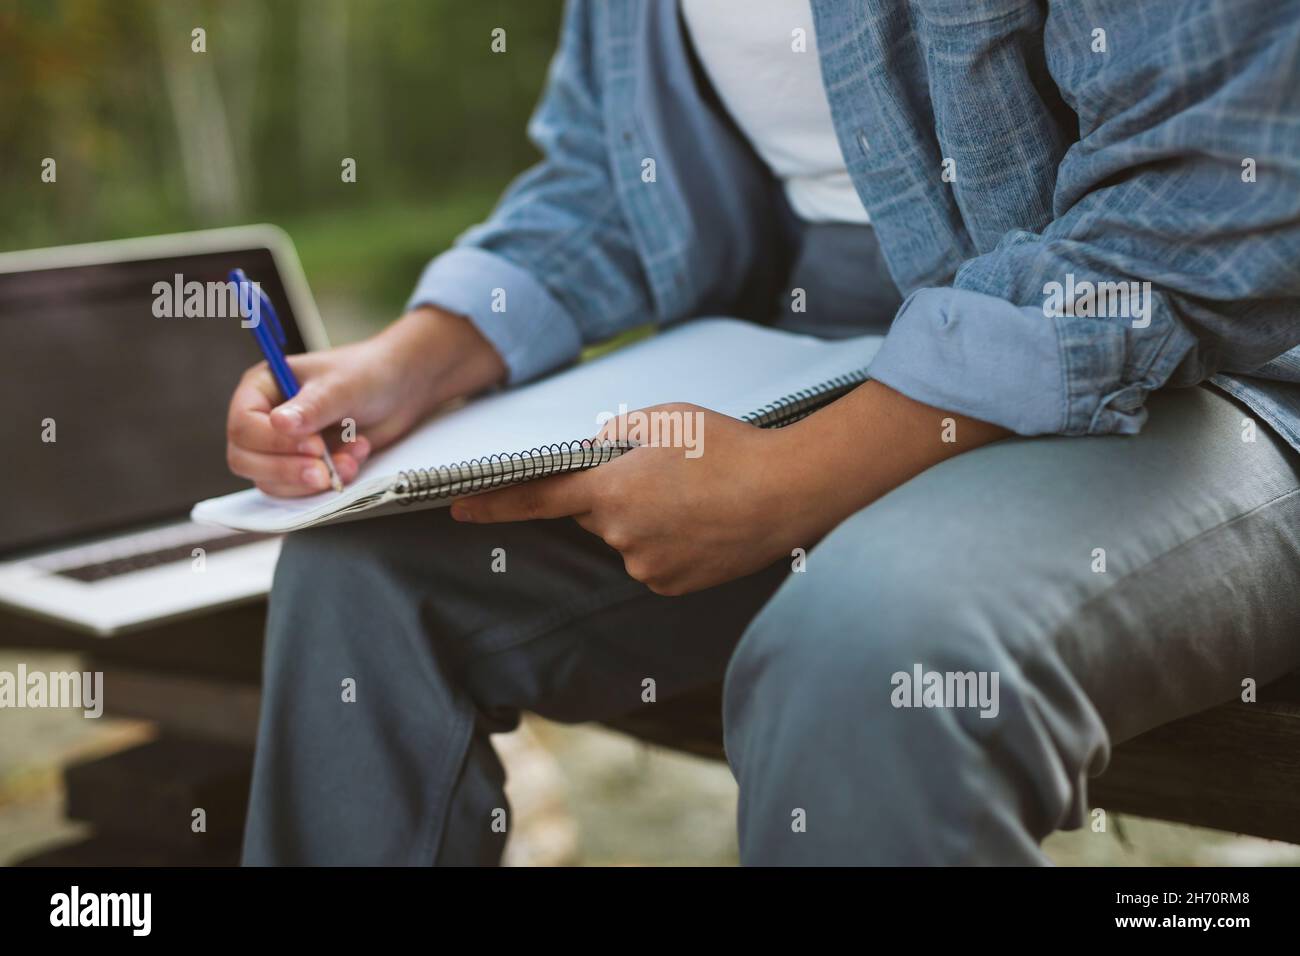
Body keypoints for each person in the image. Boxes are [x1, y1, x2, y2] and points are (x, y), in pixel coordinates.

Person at [229, 0, 1300, 864]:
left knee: (872, 655)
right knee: (359, 574)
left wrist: (795, 479)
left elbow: (1202, 201)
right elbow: (608, 177)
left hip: (1193, 375)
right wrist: (413, 357)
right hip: (806, 353)